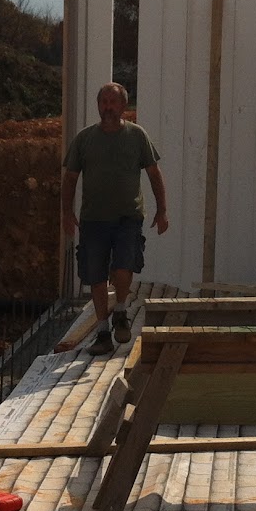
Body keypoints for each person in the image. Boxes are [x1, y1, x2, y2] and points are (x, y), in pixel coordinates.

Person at [61, 82, 170, 355]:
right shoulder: (85, 139)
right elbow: (70, 178)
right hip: (93, 220)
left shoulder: (137, 136)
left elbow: (154, 173)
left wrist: (162, 210)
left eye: (113, 102)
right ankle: (102, 332)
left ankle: (120, 310)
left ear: (123, 107)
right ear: (98, 106)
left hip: (128, 218)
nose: (108, 107)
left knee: (124, 265)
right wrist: (66, 213)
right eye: (103, 102)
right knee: (95, 276)